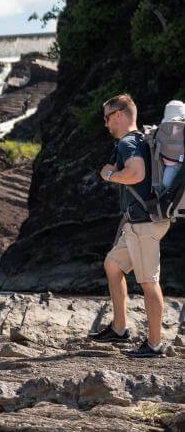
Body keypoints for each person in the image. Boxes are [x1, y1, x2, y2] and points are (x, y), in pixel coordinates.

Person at [90, 95, 171, 358]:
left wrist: (110, 175)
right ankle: (120, 327)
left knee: (148, 282)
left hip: (143, 224)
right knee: (113, 265)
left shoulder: (128, 143)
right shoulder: (141, 140)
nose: (106, 124)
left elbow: (136, 173)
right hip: (143, 221)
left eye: (107, 117)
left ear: (119, 114)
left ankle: (155, 345)